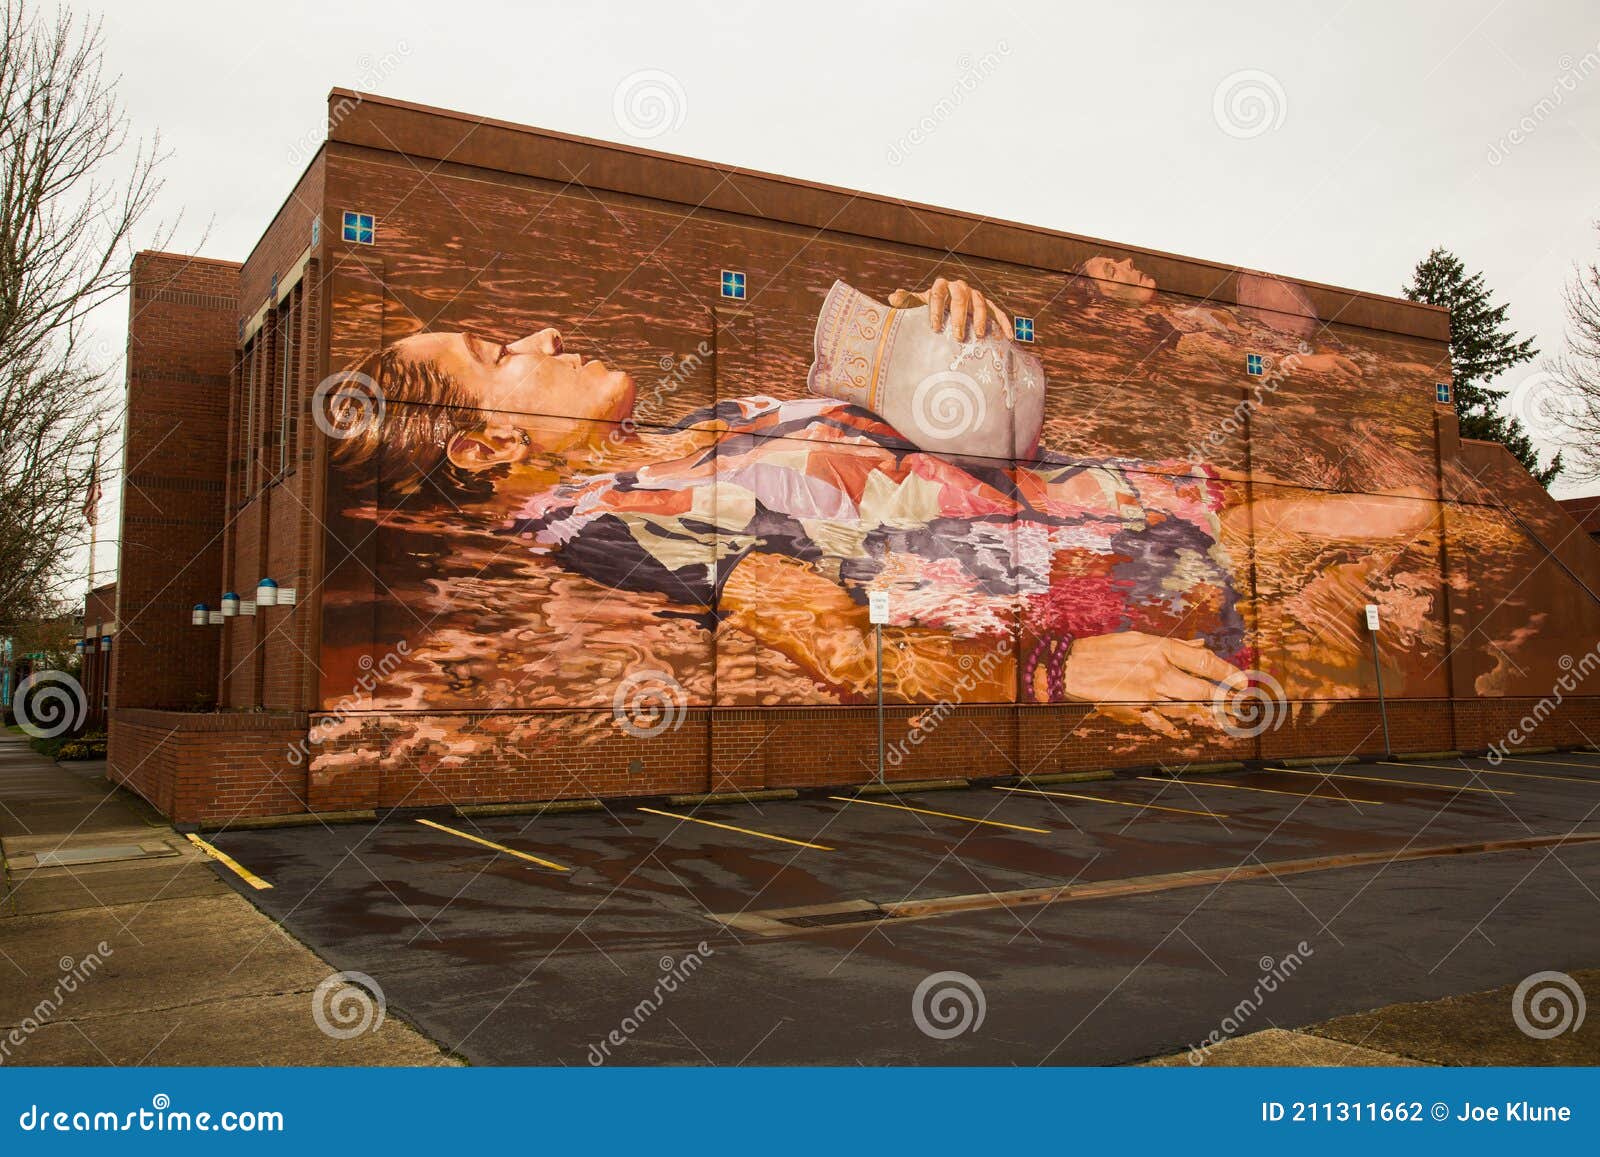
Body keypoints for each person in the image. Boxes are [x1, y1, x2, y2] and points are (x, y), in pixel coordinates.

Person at [329, 278, 1414, 735]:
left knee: (1440, 527)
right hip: (1138, 573)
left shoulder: (700, 420)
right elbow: (832, 640)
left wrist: (941, 333)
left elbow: (946, 438)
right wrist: (1049, 672)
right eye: (498, 353)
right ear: (484, 442)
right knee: (1464, 554)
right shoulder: (601, 520)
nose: (540, 337)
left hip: (1148, 497)